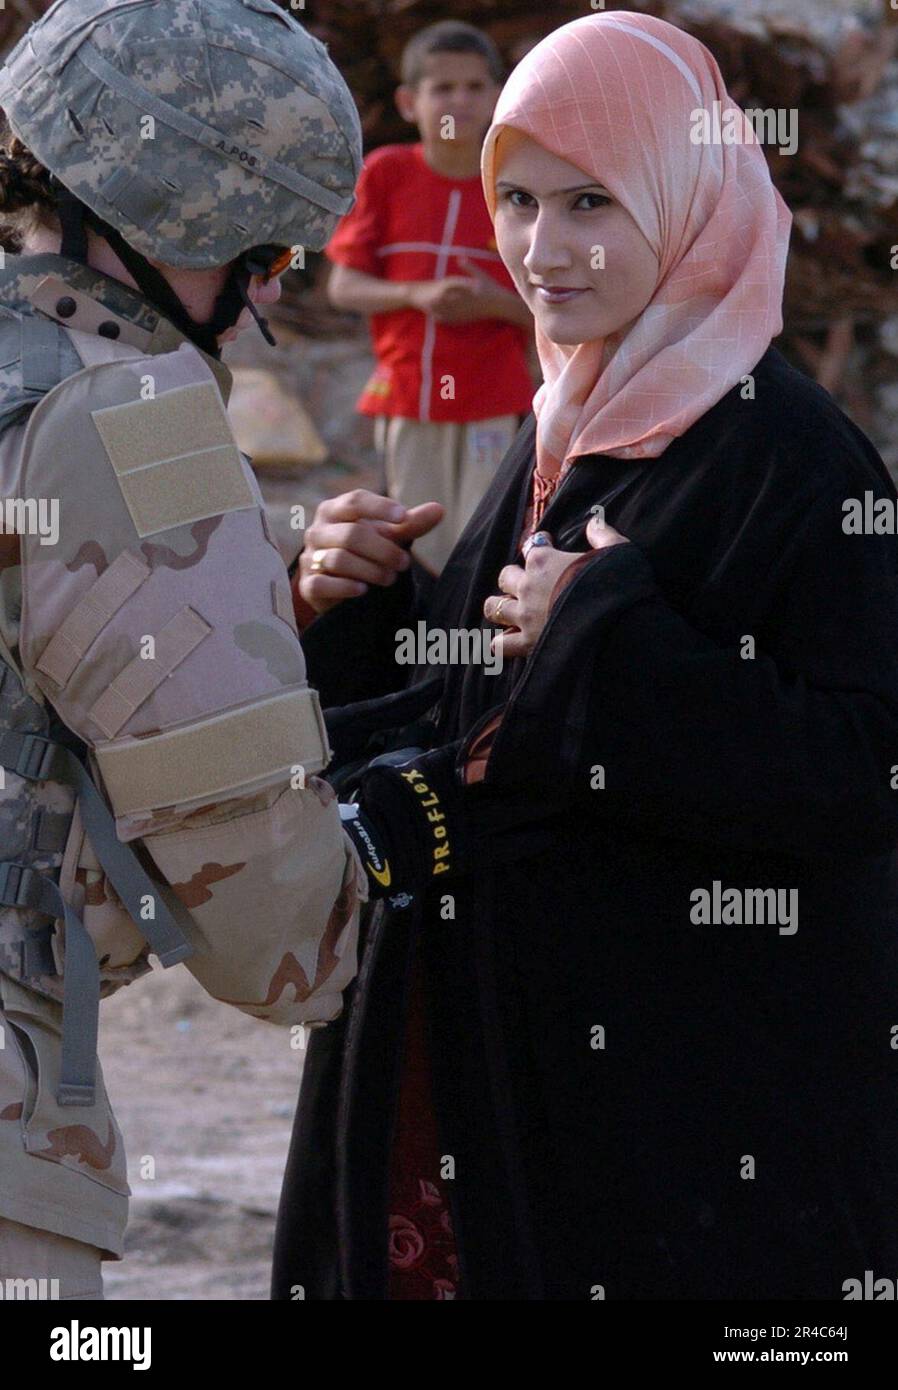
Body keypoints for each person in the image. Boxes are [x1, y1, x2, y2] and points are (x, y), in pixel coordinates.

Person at [273, 11, 898, 1300]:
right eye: (513, 199)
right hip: (514, 1056)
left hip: (688, 1095)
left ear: (685, 194)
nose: (540, 251)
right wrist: (355, 605)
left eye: (591, 203)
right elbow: (487, 702)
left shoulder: (791, 453)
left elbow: (860, 766)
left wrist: (612, 637)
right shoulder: (581, 409)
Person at [0, 0, 375, 1302]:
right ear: (171, 217)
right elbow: (273, 929)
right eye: (266, 249)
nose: (272, 292)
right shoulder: (139, 420)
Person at [324, 19, 534, 584]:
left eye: (474, 87)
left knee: (486, 542)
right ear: (409, 101)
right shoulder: (386, 173)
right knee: (414, 541)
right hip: (409, 394)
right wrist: (417, 294)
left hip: (494, 400)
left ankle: (478, 662)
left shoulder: (521, 186)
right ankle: (418, 657)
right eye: (443, 88)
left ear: (497, 96)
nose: (459, 101)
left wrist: (493, 303)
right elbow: (344, 287)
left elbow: (551, 313)